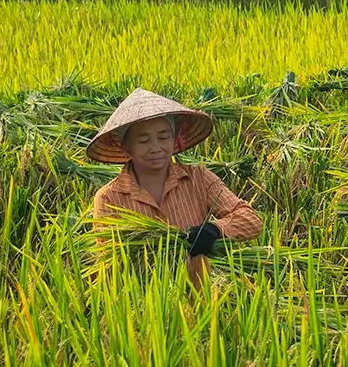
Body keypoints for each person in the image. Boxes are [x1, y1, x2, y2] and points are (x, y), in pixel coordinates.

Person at [89, 88, 262, 286]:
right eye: (144, 140)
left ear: (175, 139)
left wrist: (215, 229)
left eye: (163, 137)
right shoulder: (109, 198)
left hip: (202, 295)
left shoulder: (198, 177)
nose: (156, 147)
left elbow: (251, 219)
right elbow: (109, 262)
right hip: (144, 301)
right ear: (125, 147)